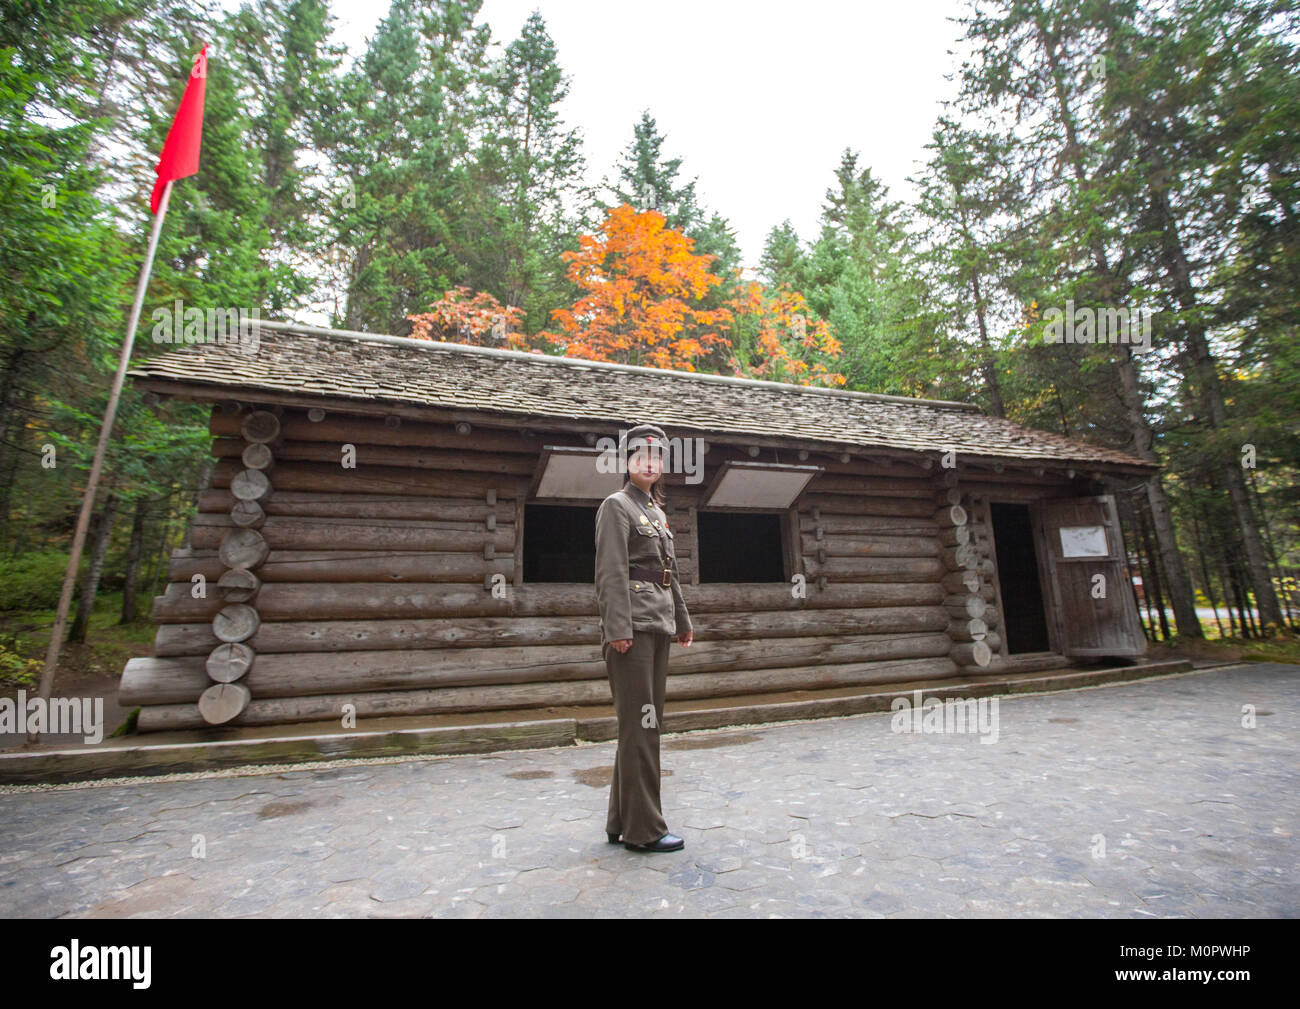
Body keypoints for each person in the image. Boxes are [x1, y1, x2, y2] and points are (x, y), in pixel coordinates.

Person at [593, 422, 694, 852]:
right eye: (641, 457)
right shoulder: (616, 506)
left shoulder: (655, 511)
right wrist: (617, 628)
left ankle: (620, 821)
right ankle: (645, 831)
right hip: (632, 630)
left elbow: (667, 573)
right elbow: (611, 572)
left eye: (656, 458)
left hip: (658, 625)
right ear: (627, 462)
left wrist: (684, 619)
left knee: (639, 727)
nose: (649, 463)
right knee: (642, 728)